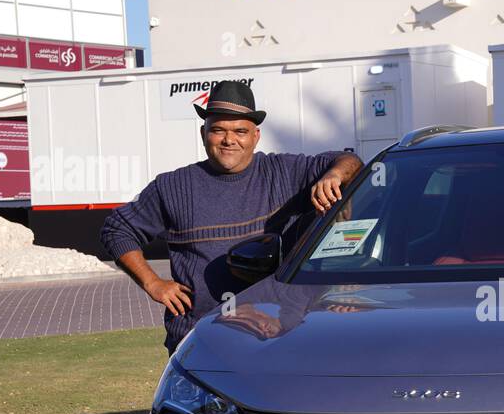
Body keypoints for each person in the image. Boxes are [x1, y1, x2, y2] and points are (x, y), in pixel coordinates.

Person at [99, 80, 362, 352]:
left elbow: (349, 161)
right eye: (218, 130)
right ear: (203, 133)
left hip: (281, 337)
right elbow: (116, 230)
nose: (229, 140)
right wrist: (153, 283)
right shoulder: (172, 187)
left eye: (240, 131)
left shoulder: (285, 172)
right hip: (200, 341)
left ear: (255, 136)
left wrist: (334, 175)